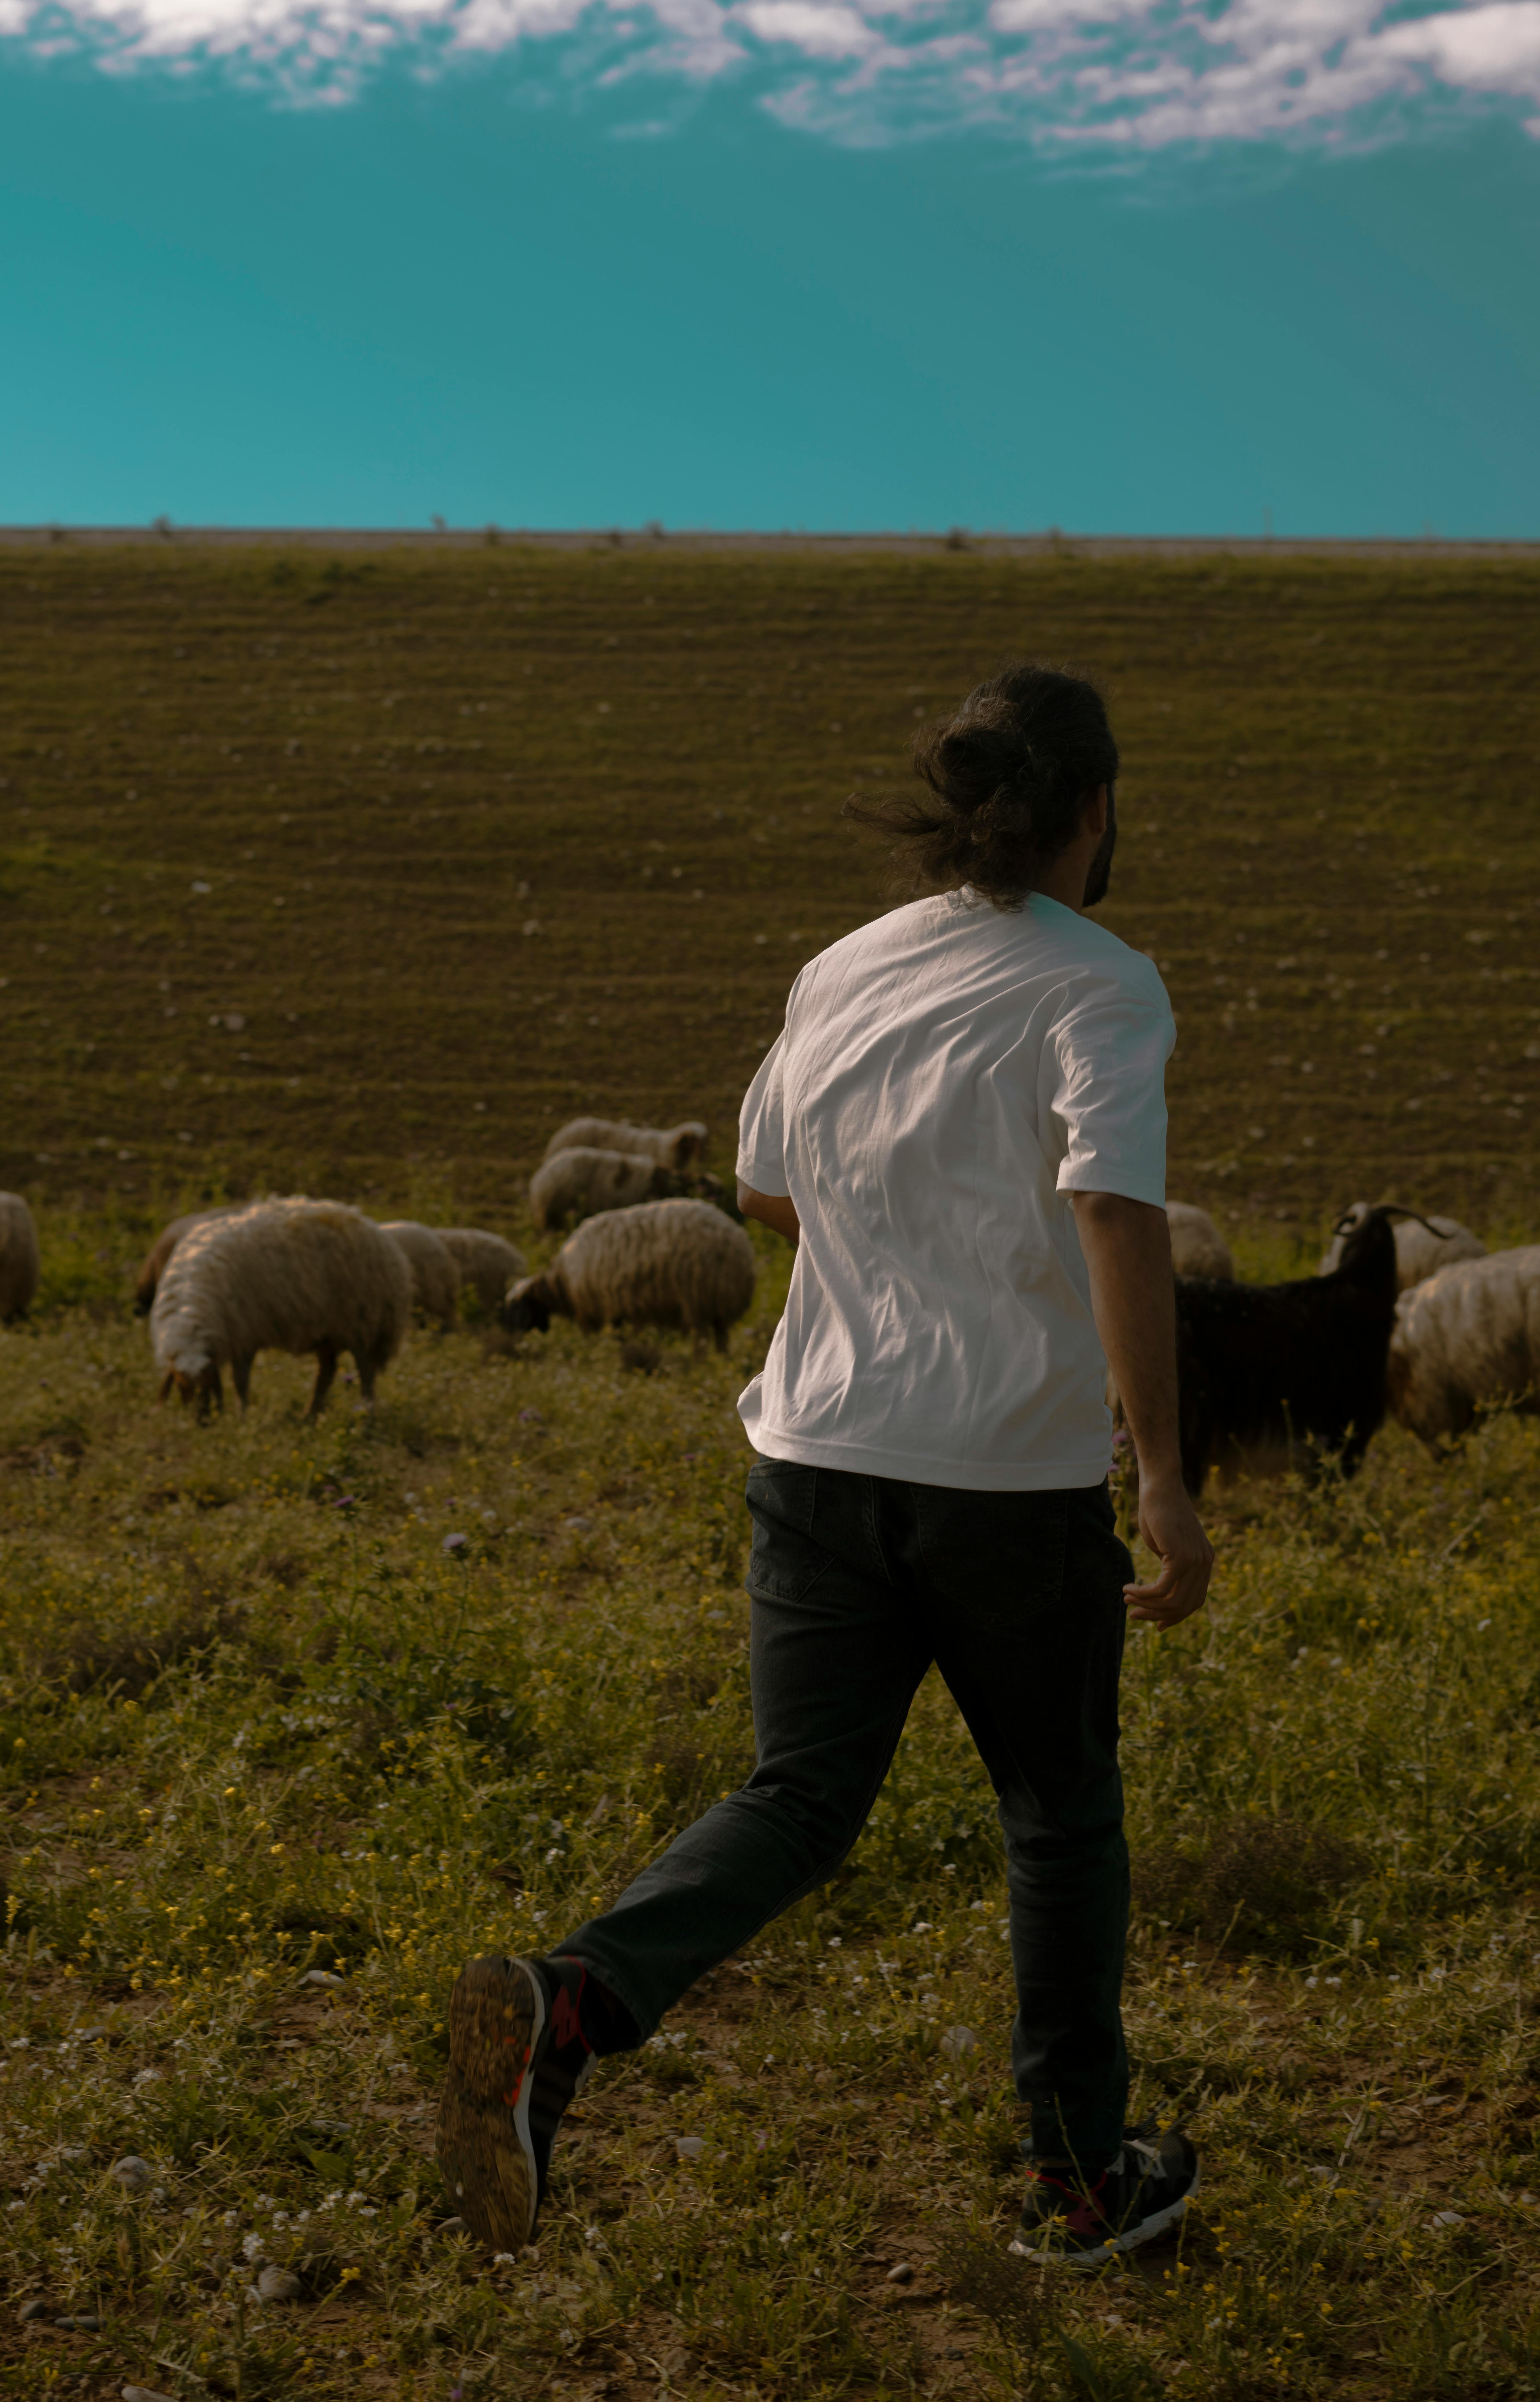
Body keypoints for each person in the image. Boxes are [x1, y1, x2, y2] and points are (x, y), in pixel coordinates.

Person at [436, 665, 1215, 2270]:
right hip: (1006, 1484)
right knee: (1061, 1817)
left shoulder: (845, 966)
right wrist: (1166, 1475)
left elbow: (770, 1191)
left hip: (814, 1454)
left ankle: (569, 2005)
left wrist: (908, 1238)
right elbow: (1114, 1211)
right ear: (1096, 807)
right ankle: (1081, 2181)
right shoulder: (1103, 983)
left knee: (796, 1799)